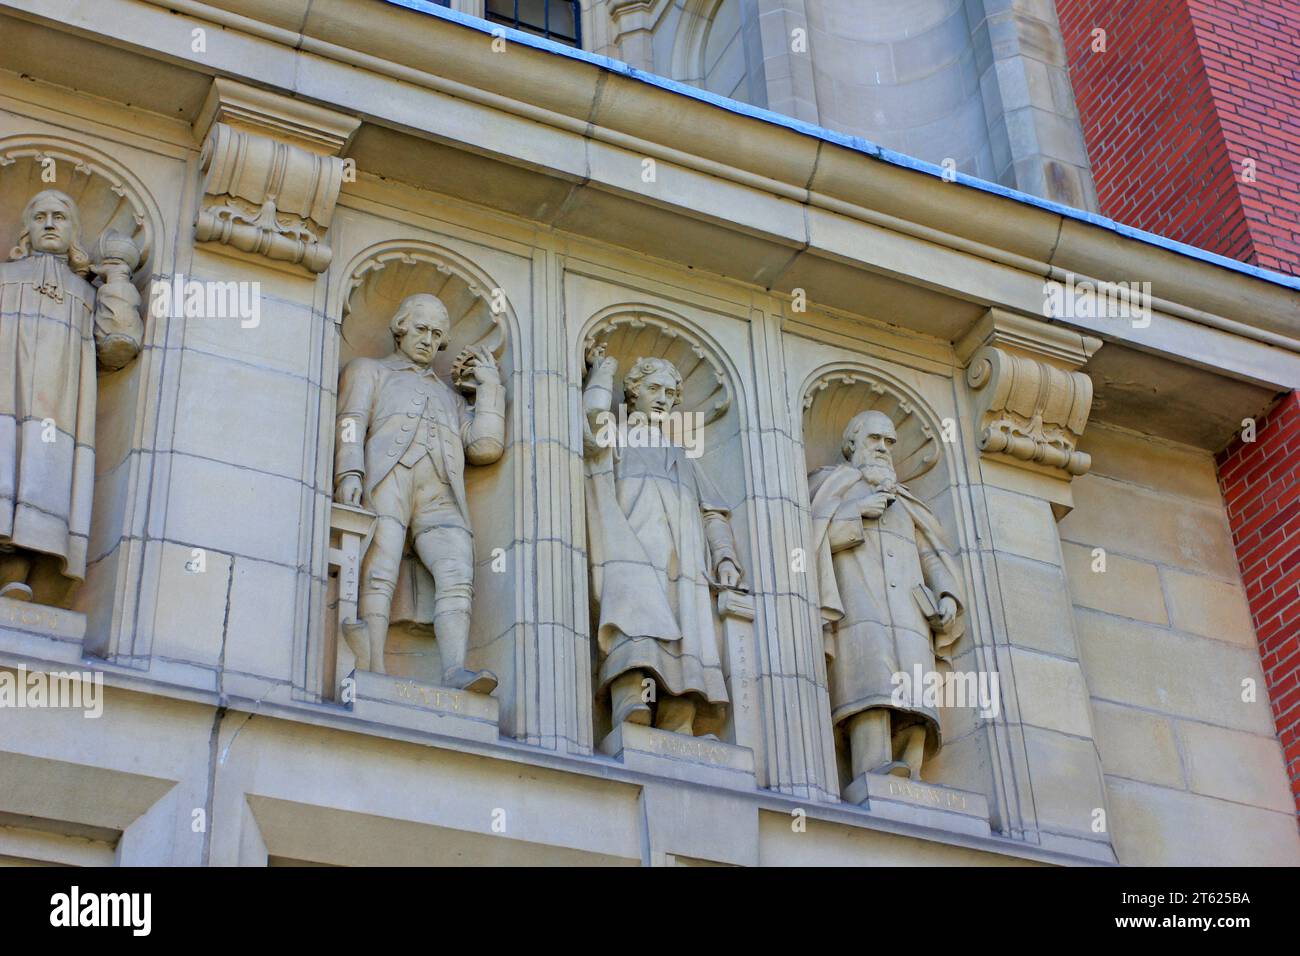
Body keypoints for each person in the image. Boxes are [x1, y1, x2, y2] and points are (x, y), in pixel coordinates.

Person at [334, 293, 505, 692]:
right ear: (401, 328)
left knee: (458, 573)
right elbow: (351, 422)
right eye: (421, 329)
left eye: (437, 334)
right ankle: (372, 666)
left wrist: (490, 389)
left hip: (439, 493)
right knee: (380, 570)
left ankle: (453, 671)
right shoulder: (369, 371)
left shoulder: (451, 397)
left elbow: (485, 447)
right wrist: (349, 472)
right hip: (387, 480)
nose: (429, 340)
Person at [583, 349, 741, 736]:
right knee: (634, 630)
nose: (662, 399)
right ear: (632, 392)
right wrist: (602, 373)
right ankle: (629, 705)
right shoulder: (616, 436)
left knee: (686, 644)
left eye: (670, 394)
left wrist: (725, 558)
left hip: (682, 564)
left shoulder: (684, 458)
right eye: (653, 388)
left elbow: (712, 512)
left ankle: (678, 721)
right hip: (630, 553)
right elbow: (590, 425)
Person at [809, 410, 965, 781]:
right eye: (874, 439)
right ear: (852, 444)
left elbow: (933, 554)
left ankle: (910, 768)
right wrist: (856, 513)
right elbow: (811, 542)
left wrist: (947, 597)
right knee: (871, 684)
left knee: (915, 693)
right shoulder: (832, 486)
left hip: (909, 613)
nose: (883, 448)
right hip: (859, 606)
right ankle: (870, 767)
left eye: (889, 442)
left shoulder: (906, 501)